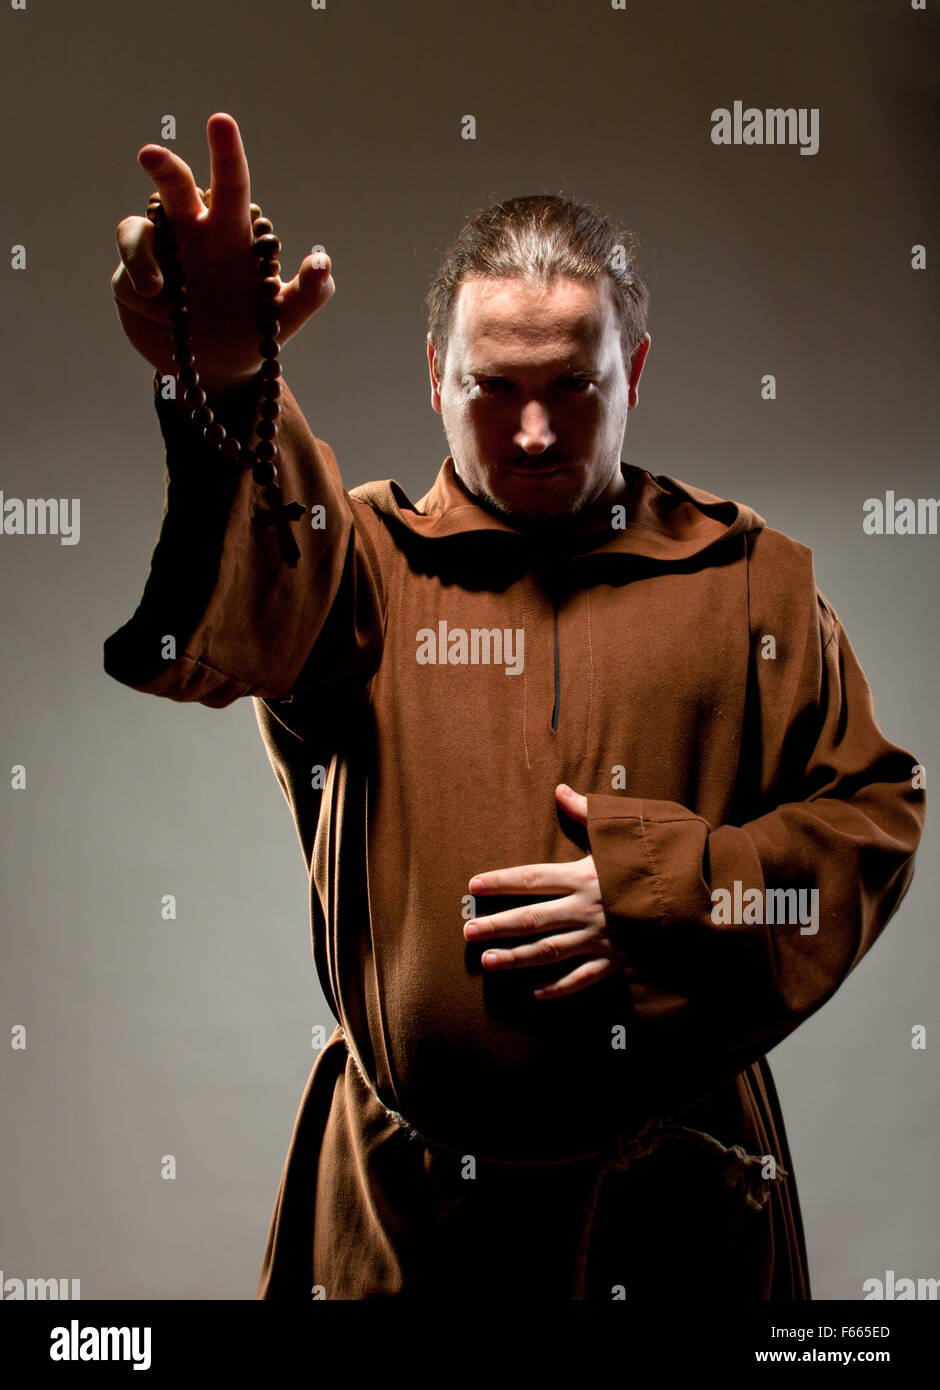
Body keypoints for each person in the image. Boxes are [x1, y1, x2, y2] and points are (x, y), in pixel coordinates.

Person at [104, 112, 925, 1300]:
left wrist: (668, 899)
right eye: (493, 388)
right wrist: (227, 375)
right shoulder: (360, 567)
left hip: (678, 1224)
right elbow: (230, 623)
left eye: (573, 387)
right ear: (430, 375)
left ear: (632, 372)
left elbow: (868, 827)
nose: (534, 432)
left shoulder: (752, 580)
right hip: (404, 1231)